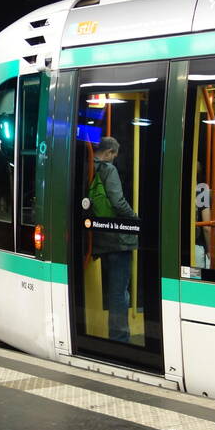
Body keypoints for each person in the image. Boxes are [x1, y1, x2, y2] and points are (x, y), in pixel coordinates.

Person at [90, 136, 139, 341]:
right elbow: (118, 202)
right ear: (109, 152)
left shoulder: (88, 167)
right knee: (120, 292)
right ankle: (120, 337)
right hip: (117, 239)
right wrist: (135, 219)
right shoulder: (108, 170)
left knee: (111, 290)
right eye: (114, 156)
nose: (113, 159)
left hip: (98, 238)